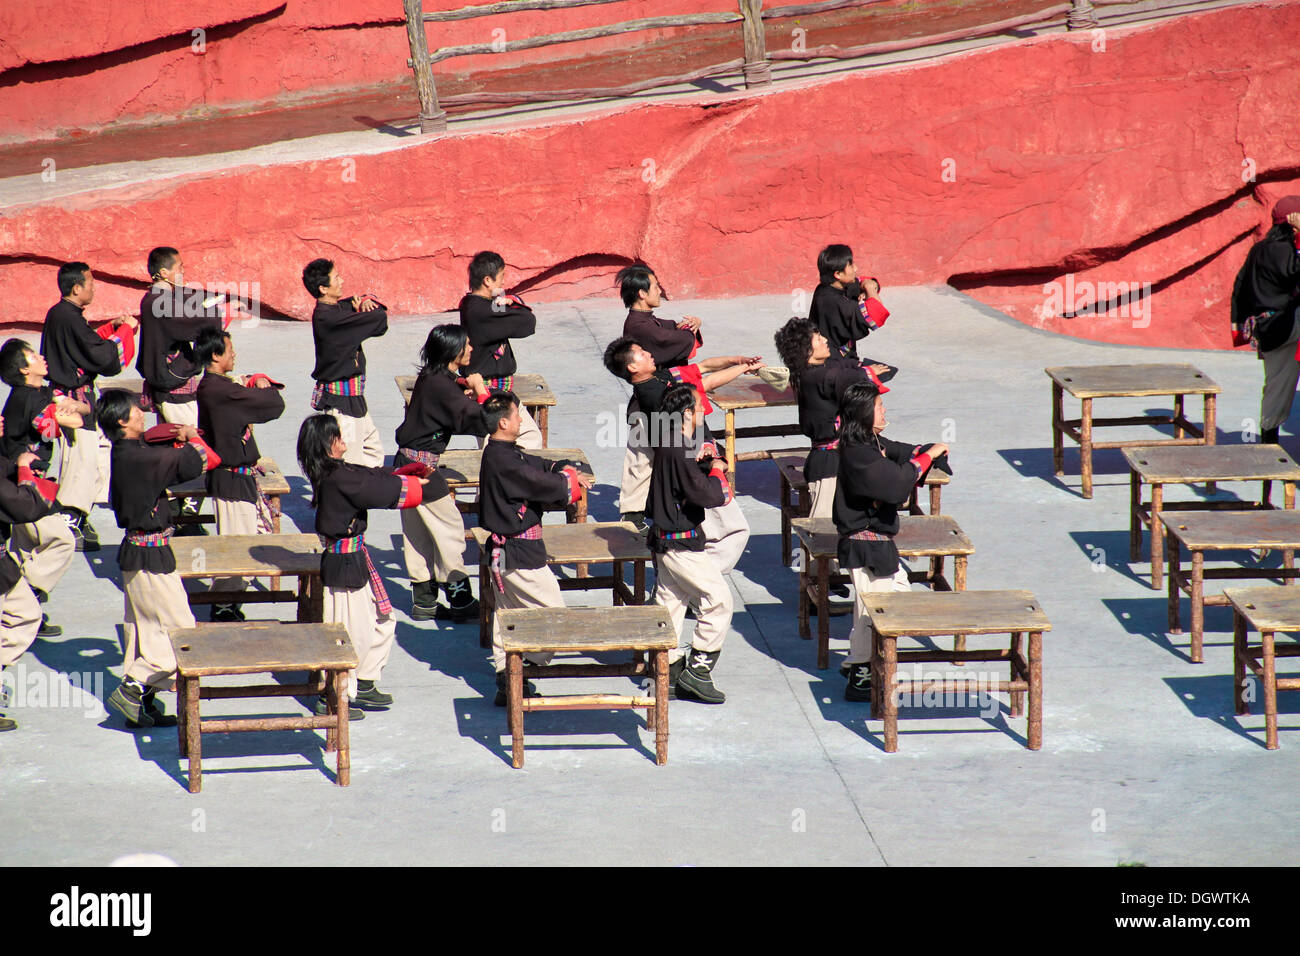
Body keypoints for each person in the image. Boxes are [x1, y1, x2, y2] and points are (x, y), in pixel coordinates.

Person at [97, 388, 218, 729]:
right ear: (123, 421)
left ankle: (142, 707)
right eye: (136, 410)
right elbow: (203, 461)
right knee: (181, 630)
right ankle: (134, 686)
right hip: (150, 556)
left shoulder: (127, 452)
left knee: (145, 632)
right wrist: (191, 436)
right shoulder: (140, 458)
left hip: (137, 553)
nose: (142, 412)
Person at [297, 414, 427, 716]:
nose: (345, 440)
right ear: (327, 445)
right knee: (352, 632)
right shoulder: (338, 477)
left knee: (382, 619)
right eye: (337, 437)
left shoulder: (337, 471)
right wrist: (414, 486)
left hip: (353, 557)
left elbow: (369, 476)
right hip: (344, 563)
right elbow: (376, 490)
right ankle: (334, 695)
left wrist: (403, 474)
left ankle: (365, 682)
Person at [833, 382, 948, 701]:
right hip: (865, 544)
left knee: (871, 608)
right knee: (879, 610)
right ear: (864, 413)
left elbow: (897, 451)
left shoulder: (868, 441)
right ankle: (860, 678)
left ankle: (856, 663)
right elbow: (897, 485)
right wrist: (927, 458)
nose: (884, 410)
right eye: (879, 406)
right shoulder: (857, 453)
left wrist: (923, 450)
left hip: (875, 543)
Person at [602, 336, 757, 572]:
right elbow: (706, 384)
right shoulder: (654, 395)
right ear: (633, 367)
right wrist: (708, 453)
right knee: (732, 530)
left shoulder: (660, 378)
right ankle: (699, 579)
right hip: (695, 466)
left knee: (713, 532)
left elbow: (703, 369)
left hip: (693, 459)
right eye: (642, 352)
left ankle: (688, 582)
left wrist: (739, 363)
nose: (649, 353)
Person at [478, 390, 590, 706]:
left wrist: (563, 467)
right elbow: (541, 483)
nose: (521, 419)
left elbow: (533, 464)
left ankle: (507, 677)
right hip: (517, 554)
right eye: (517, 414)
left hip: (506, 552)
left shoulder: (502, 453)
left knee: (508, 616)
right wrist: (570, 479)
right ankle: (522, 669)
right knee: (554, 617)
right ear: (503, 423)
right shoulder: (503, 460)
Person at [39, 262, 138, 551]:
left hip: (76, 397)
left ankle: (78, 518)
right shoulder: (66, 316)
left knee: (90, 458)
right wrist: (126, 333)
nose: (94, 288)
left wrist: (111, 328)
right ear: (76, 287)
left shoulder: (64, 315)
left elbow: (86, 343)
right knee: (81, 462)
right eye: (90, 283)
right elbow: (101, 356)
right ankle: (69, 521)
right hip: (73, 401)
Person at [646, 383, 735, 703]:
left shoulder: (672, 442)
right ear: (686, 414)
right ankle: (698, 673)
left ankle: (665, 670)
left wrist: (706, 459)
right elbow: (708, 495)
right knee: (719, 600)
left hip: (665, 541)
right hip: (681, 545)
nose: (703, 412)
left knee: (671, 605)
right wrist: (716, 469)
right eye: (699, 408)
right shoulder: (681, 448)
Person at [393, 324, 485, 621]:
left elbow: (447, 396)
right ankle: (461, 602)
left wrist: (461, 385)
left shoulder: (431, 376)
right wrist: (481, 392)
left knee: (417, 536)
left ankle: (424, 604)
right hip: (423, 469)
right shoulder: (442, 386)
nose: (471, 349)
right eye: (467, 344)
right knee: (450, 532)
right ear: (453, 350)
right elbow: (478, 420)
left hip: (403, 464)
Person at [194, 326, 286, 622]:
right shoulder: (220, 390)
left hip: (236, 478)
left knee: (243, 541)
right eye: (230, 350)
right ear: (216, 354)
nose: (234, 354)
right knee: (234, 545)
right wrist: (260, 382)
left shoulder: (217, 387)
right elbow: (274, 404)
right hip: (230, 479)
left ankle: (230, 600)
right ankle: (223, 603)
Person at [773, 317, 894, 519]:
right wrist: (867, 373)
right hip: (828, 466)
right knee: (824, 536)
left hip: (841, 459)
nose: (825, 340)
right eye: (818, 339)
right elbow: (842, 377)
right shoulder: (816, 377)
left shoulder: (812, 373)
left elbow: (840, 368)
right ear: (807, 351)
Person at [0, 339, 82, 635]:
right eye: (34, 356)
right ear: (24, 368)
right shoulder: (29, 400)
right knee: (62, 540)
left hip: (15, 484)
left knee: (22, 552)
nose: (42, 358)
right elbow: (69, 420)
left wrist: (63, 404)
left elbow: (76, 409)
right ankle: (30, 597)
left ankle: (22, 614)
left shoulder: (33, 393)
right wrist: (63, 408)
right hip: (26, 485)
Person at [303, 258, 387, 467]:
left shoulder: (336, 309)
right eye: (336, 277)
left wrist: (366, 300)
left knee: (374, 455)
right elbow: (380, 321)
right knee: (349, 463)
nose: (342, 281)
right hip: (342, 402)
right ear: (323, 288)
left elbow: (359, 303)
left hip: (354, 399)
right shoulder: (330, 319)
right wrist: (366, 308)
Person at [0, 446, 61, 732]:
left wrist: (20, 468)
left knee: (26, 614)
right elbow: (24, 507)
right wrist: (24, 470)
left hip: (4, 564)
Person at [1230, 197, 1300, 444]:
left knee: (1275, 388)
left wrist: (1239, 329)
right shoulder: (1286, 252)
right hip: (1289, 328)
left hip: (1269, 331)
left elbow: (1240, 288)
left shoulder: (1259, 249)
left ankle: (1269, 446)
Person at [137, 246, 232, 427]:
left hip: (167, 383)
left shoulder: (156, 297)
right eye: (180, 267)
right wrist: (217, 314)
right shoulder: (161, 302)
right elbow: (190, 322)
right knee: (193, 441)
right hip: (173, 387)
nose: (183, 271)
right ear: (164, 272)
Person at [458, 251, 544, 450]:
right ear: (488, 280)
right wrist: (512, 303)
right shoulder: (481, 312)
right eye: (502, 276)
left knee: (528, 439)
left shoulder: (477, 305)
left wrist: (508, 301)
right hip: (488, 392)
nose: (504, 283)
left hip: (500, 391)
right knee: (501, 446)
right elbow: (527, 323)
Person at [808, 243, 891, 361]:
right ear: (838, 274)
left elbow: (865, 281)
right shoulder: (834, 302)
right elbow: (877, 313)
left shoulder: (830, 286)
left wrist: (870, 286)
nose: (855, 268)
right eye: (851, 266)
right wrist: (870, 290)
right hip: (833, 363)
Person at [617, 264, 701, 367]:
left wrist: (692, 323)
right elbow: (682, 340)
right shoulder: (640, 326)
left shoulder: (641, 319)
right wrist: (689, 329)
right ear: (642, 293)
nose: (659, 291)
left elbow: (670, 326)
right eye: (655, 287)